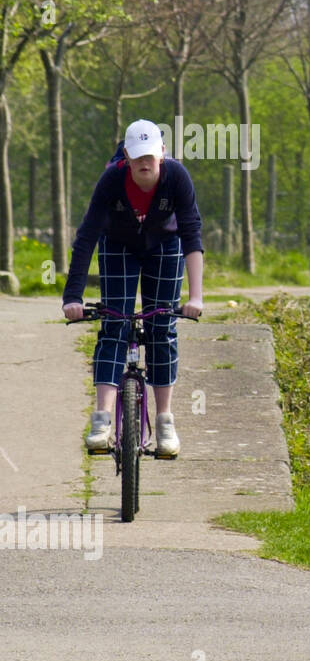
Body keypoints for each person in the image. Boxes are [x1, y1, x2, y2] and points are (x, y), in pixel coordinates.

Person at [62, 119, 205, 458]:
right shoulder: (112, 180)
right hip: (118, 246)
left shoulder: (177, 178)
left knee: (162, 328)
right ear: (126, 155)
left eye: (151, 156)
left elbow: (192, 235)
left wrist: (196, 297)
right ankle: (101, 420)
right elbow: (86, 237)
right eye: (138, 156)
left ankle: (165, 421)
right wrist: (73, 296)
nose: (145, 163)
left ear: (162, 154)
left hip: (165, 247)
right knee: (114, 324)